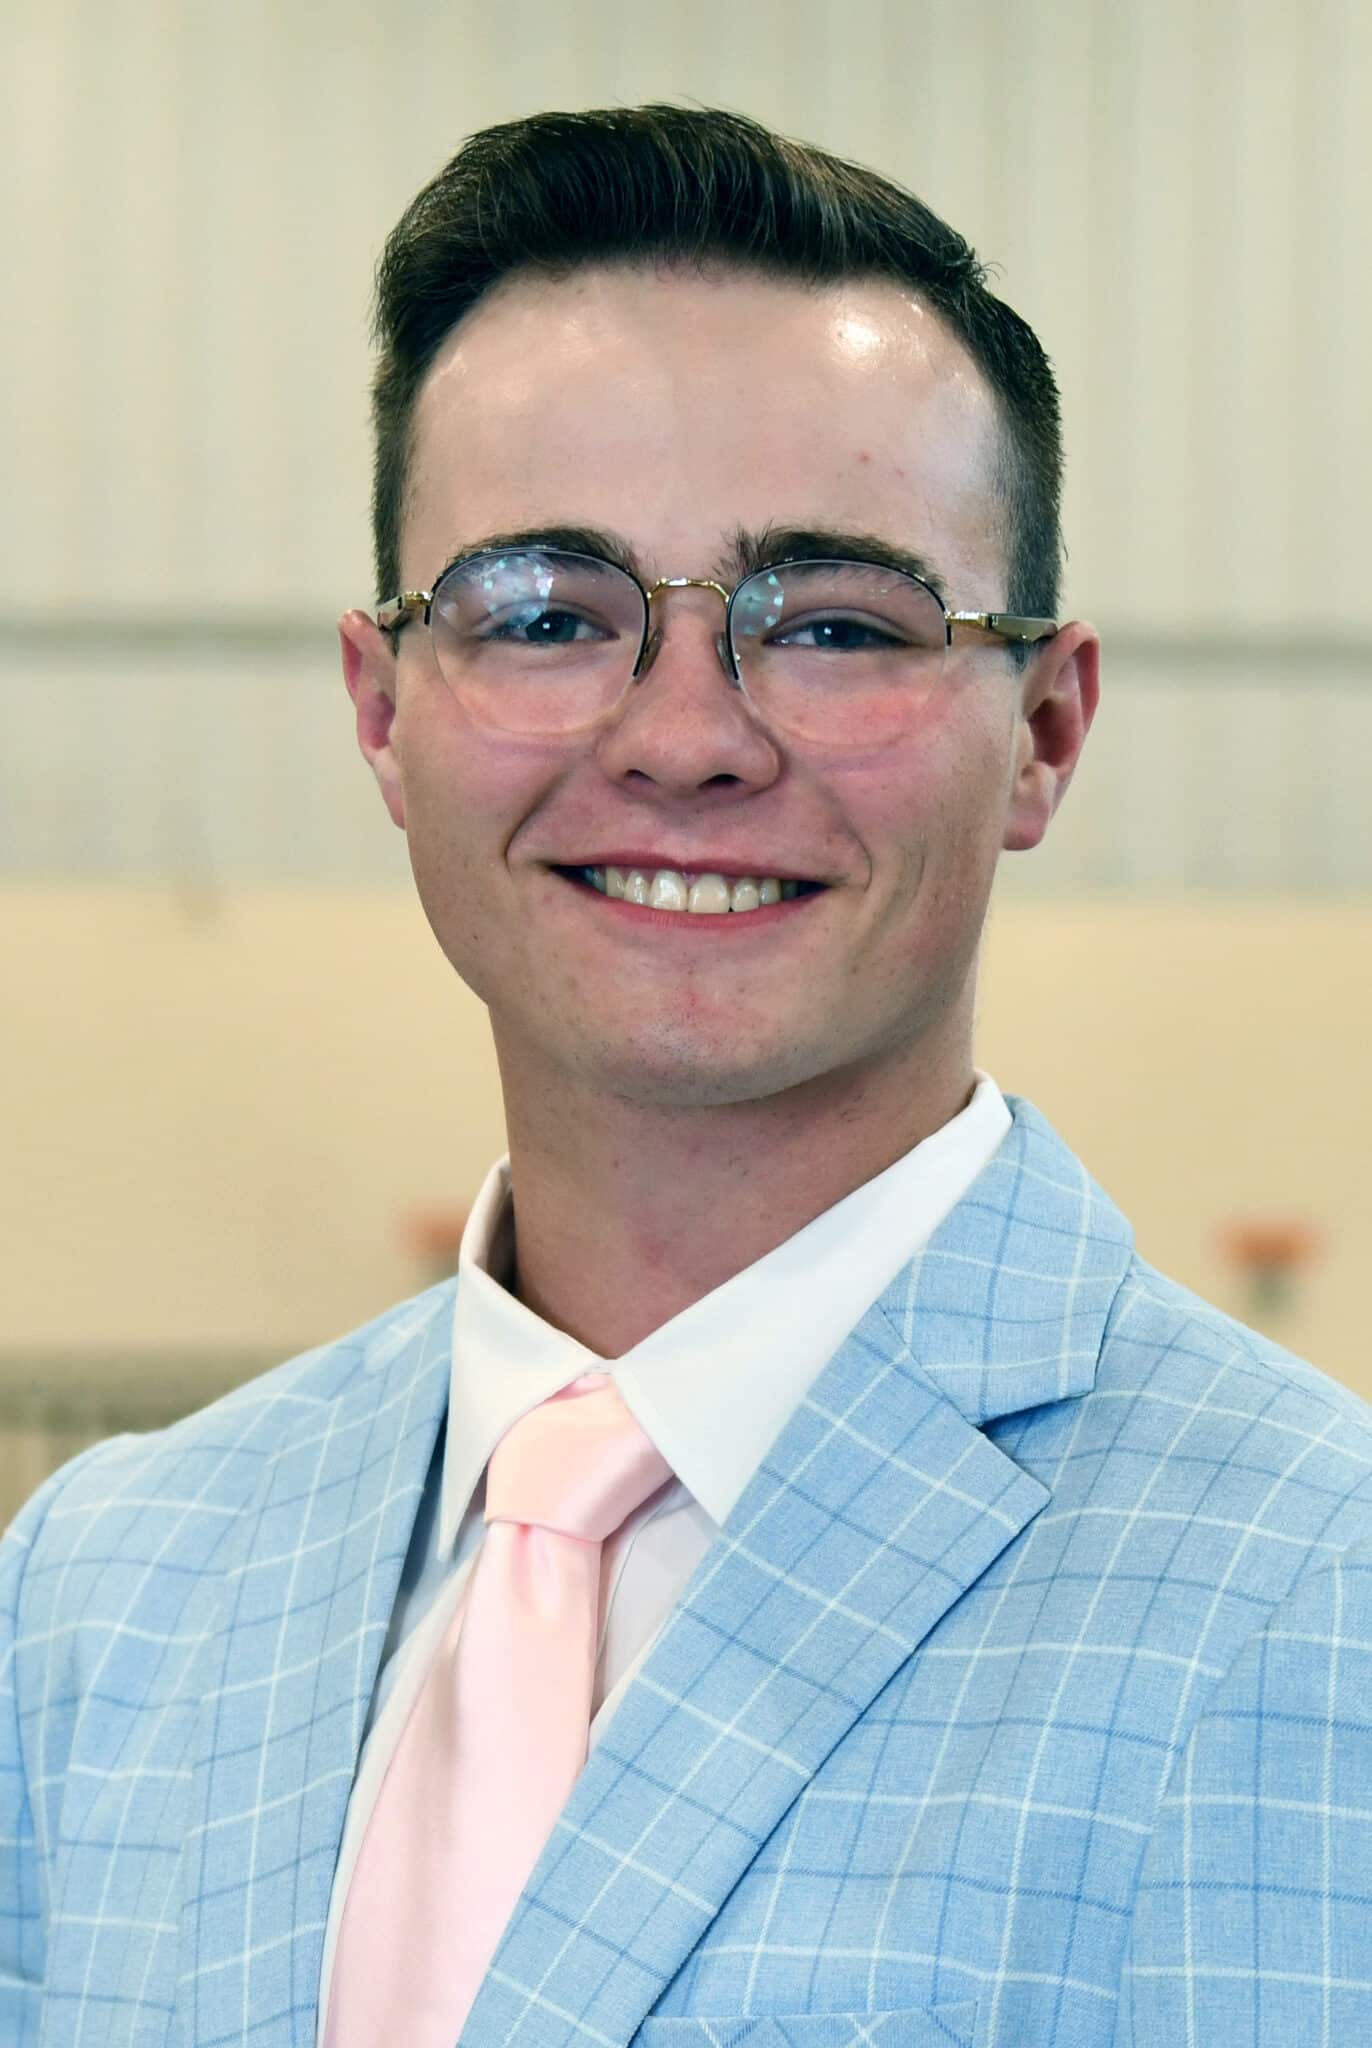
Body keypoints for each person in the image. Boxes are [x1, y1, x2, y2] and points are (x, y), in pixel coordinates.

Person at [2, 104, 1369, 2048]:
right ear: (384, 716)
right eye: (544, 616)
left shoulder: (1316, 1600)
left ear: (1045, 729)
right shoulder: (105, 1598)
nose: (683, 739)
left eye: (828, 623)